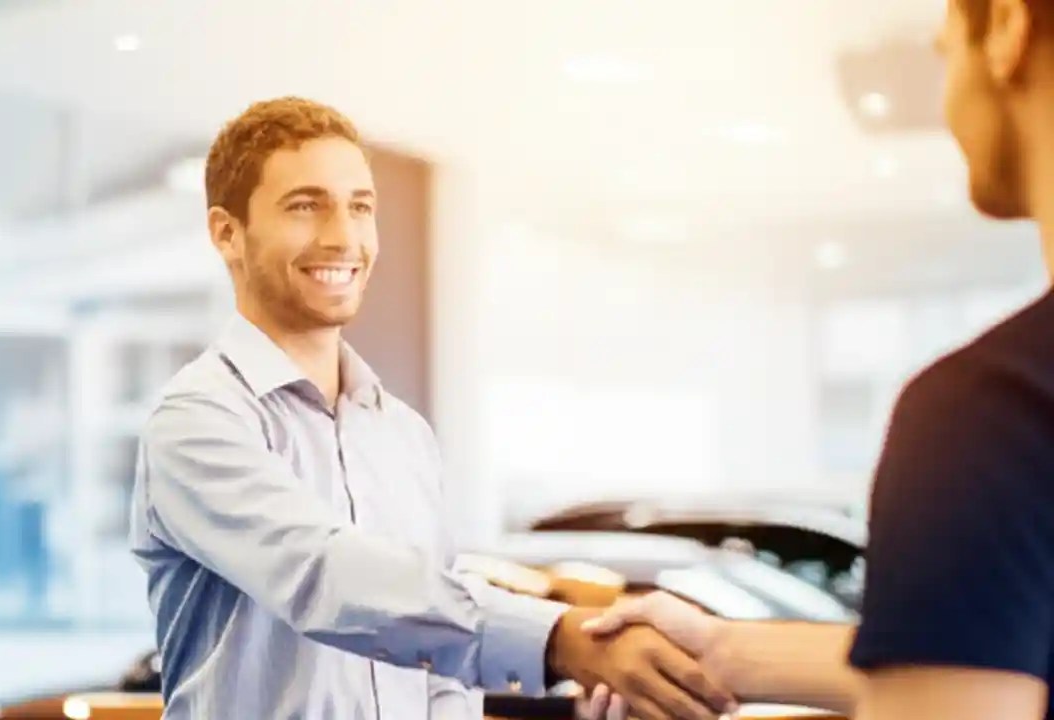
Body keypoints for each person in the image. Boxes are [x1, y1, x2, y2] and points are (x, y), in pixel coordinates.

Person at [128, 96, 734, 720]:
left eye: (360, 207)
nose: (343, 237)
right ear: (227, 233)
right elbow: (327, 578)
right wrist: (561, 640)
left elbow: (441, 669)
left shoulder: (403, 434)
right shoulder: (197, 421)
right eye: (306, 206)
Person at [583, 0, 1054, 718]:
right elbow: (991, 648)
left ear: (1008, 31)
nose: (948, 93)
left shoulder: (989, 412)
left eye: (944, 48)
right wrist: (720, 651)